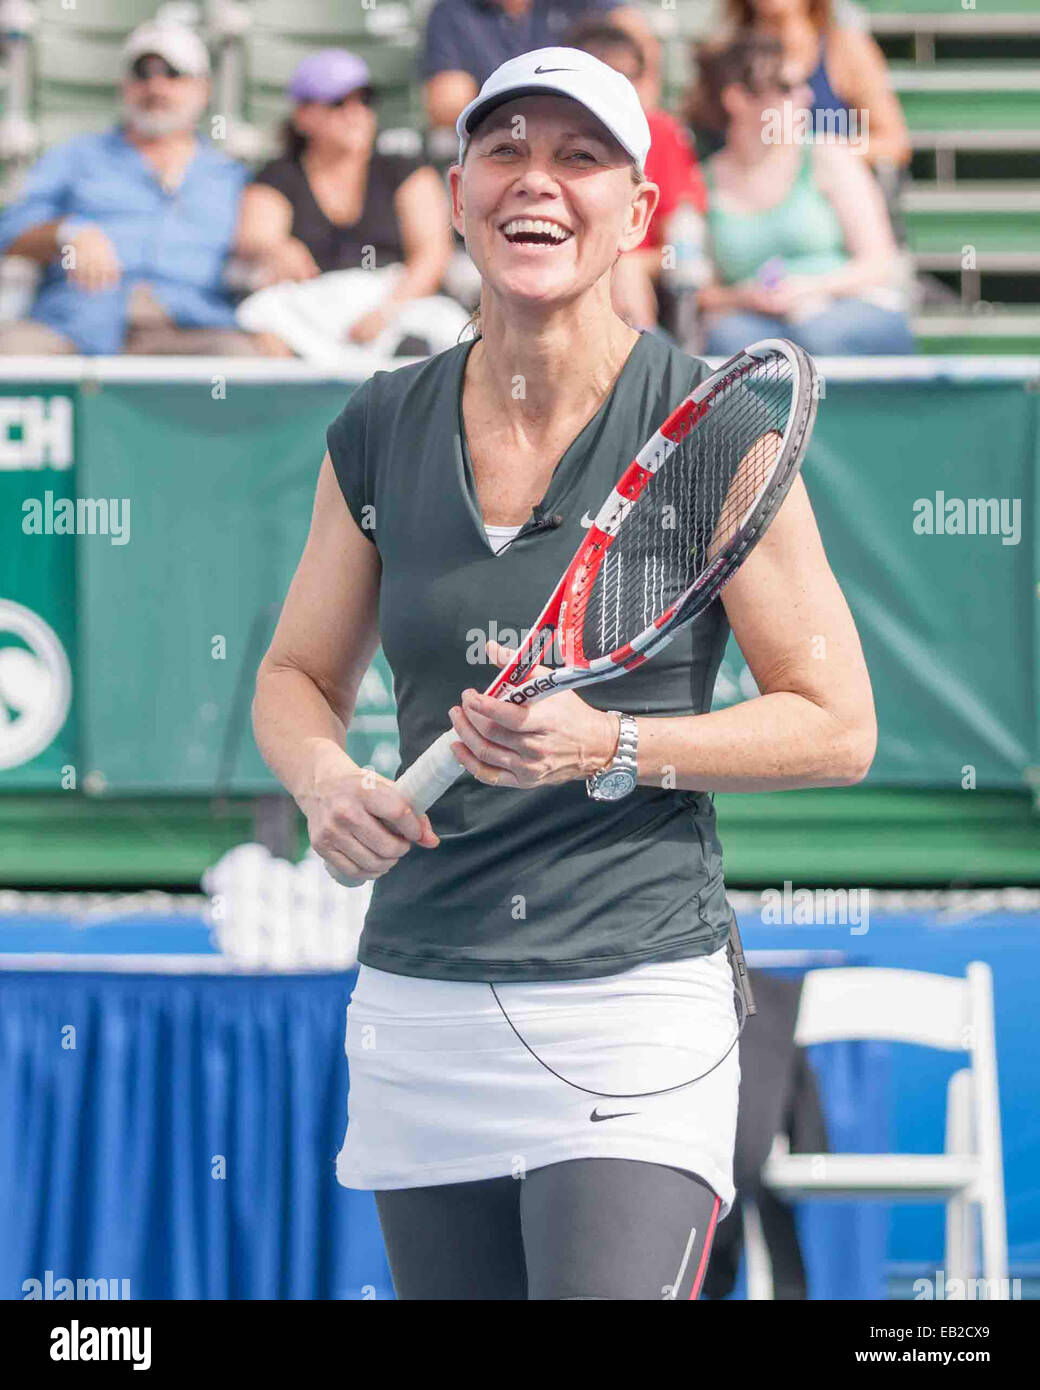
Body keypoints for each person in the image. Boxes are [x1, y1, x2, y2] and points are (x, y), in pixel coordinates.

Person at [252, 46, 876, 1301]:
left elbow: (836, 725)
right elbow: (292, 674)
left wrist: (617, 745)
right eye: (505, 151)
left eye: (579, 155)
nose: (538, 180)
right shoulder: (378, 425)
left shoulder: (710, 427)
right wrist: (325, 780)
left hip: (633, 1001)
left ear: (635, 210)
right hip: (420, 996)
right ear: (463, 193)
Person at [0, 21, 266, 356]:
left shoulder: (229, 176)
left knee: (243, 360)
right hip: (75, 328)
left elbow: (261, 247)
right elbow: (9, 232)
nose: (156, 87)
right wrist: (68, 233)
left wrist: (277, 252)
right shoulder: (76, 157)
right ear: (124, 86)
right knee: (9, 352)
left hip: (188, 329)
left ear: (204, 89)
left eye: (173, 73)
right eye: (142, 73)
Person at [233, 50, 467, 363]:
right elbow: (254, 237)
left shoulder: (404, 169)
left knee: (441, 330)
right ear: (303, 116)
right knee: (263, 320)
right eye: (337, 103)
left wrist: (387, 310)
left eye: (363, 101)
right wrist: (276, 248)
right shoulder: (279, 174)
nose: (355, 113)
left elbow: (432, 255)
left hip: (396, 300)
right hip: (314, 305)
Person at [693, 33, 916, 357]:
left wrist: (810, 288)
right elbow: (699, 291)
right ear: (738, 98)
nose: (806, 96)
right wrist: (745, 297)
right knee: (732, 344)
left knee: (820, 335)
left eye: (804, 84)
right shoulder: (703, 179)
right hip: (752, 318)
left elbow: (880, 263)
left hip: (848, 306)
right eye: (786, 87)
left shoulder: (828, 155)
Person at [566, 19, 707, 330]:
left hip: (638, 288)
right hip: (563, 272)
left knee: (624, 269)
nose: (624, 87)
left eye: (633, 75)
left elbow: (680, 247)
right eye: (610, 76)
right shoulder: (550, 136)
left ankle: (639, 369)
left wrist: (630, 264)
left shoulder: (661, 133)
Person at [421, 0, 658, 136]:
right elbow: (447, 104)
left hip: (590, 128)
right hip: (504, 136)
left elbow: (635, 34)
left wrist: (634, 107)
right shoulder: (453, 11)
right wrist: (533, 121)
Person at [720, 0, 910, 169]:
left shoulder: (842, 48)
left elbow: (893, 142)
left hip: (826, 199)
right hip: (750, 200)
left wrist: (817, 154)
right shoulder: (724, 59)